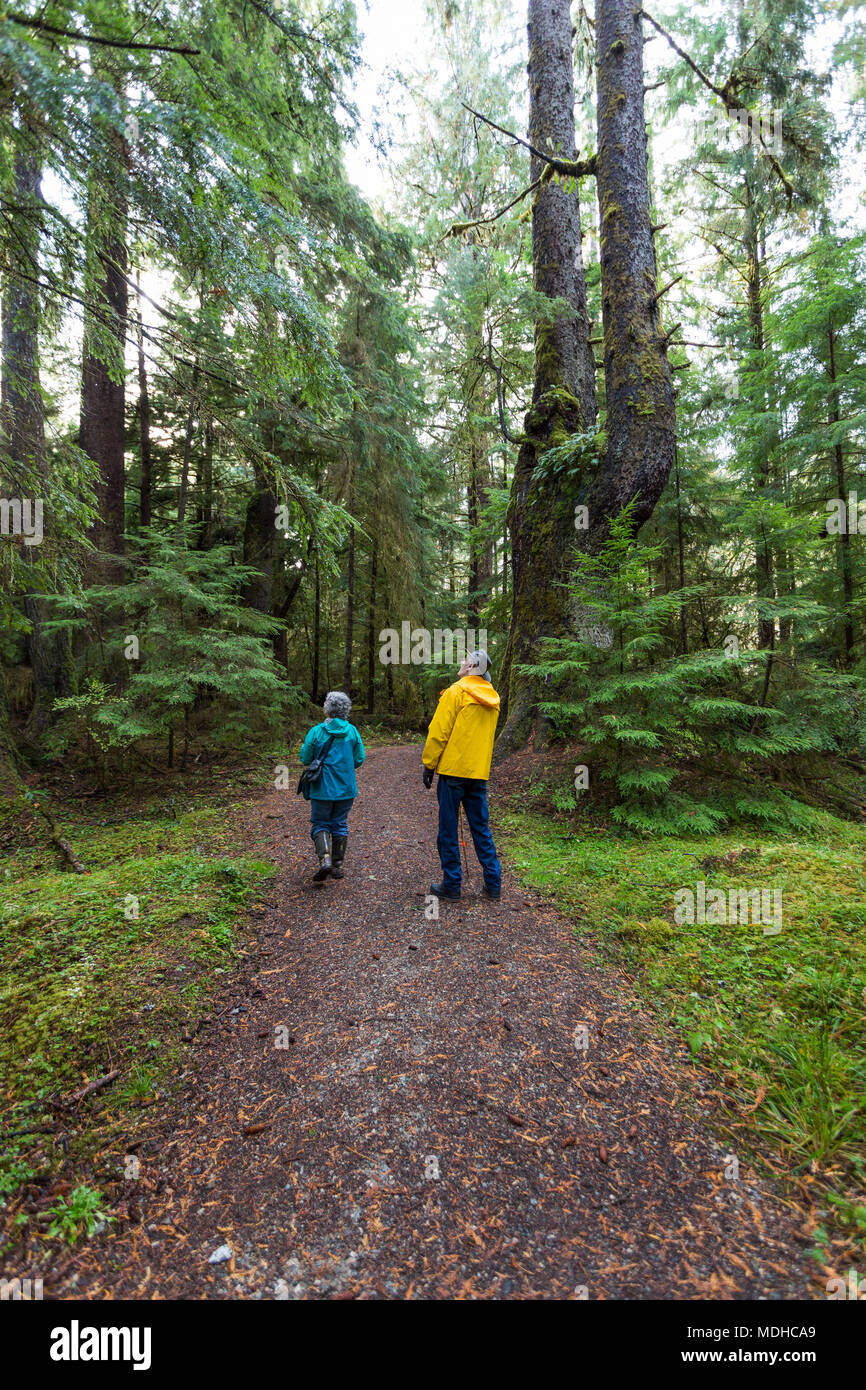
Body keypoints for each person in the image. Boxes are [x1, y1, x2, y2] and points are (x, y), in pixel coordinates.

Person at [421, 649, 502, 901]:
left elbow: (439, 731)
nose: (462, 662)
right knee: (481, 828)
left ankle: (452, 885)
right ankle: (493, 883)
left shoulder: (456, 692)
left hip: (453, 772)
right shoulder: (493, 697)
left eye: (466, 661)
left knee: (448, 829)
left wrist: (429, 764)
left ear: (472, 668)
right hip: (478, 774)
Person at [299, 691, 365, 882]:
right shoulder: (352, 731)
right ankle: (337, 866)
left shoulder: (317, 731)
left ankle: (325, 860)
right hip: (346, 789)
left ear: (329, 708)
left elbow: (304, 758)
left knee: (320, 824)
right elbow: (359, 758)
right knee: (340, 824)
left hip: (322, 789)